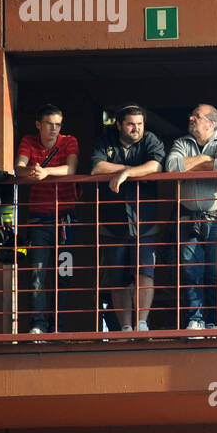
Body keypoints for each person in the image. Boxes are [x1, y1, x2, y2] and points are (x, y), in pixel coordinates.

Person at [90, 105, 165, 333]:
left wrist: (125, 174)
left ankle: (141, 324)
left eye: (140, 124)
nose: (137, 128)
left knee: (144, 273)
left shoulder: (150, 139)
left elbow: (156, 166)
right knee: (118, 276)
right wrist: (129, 168)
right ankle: (125, 327)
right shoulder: (105, 141)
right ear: (120, 124)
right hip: (112, 223)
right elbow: (96, 167)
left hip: (146, 220)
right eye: (131, 124)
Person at [165, 104, 217, 332]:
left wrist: (191, 164)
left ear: (210, 123)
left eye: (196, 116)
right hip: (187, 217)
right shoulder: (181, 142)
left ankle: (215, 321)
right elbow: (172, 167)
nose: (191, 117)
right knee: (190, 269)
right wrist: (206, 160)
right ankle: (195, 318)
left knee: (216, 271)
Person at [14, 104, 78, 335]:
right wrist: (33, 170)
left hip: (66, 223)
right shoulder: (28, 141)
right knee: (37, 273)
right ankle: (38, 325)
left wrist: (46, 173)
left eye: (58, 124)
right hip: (39, 221)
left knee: (64, 275)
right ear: (38, 125)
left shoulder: (69, 140)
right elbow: (18, 168)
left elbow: (71, 169)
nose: (54, 129)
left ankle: (58, 327)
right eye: (49, 124)